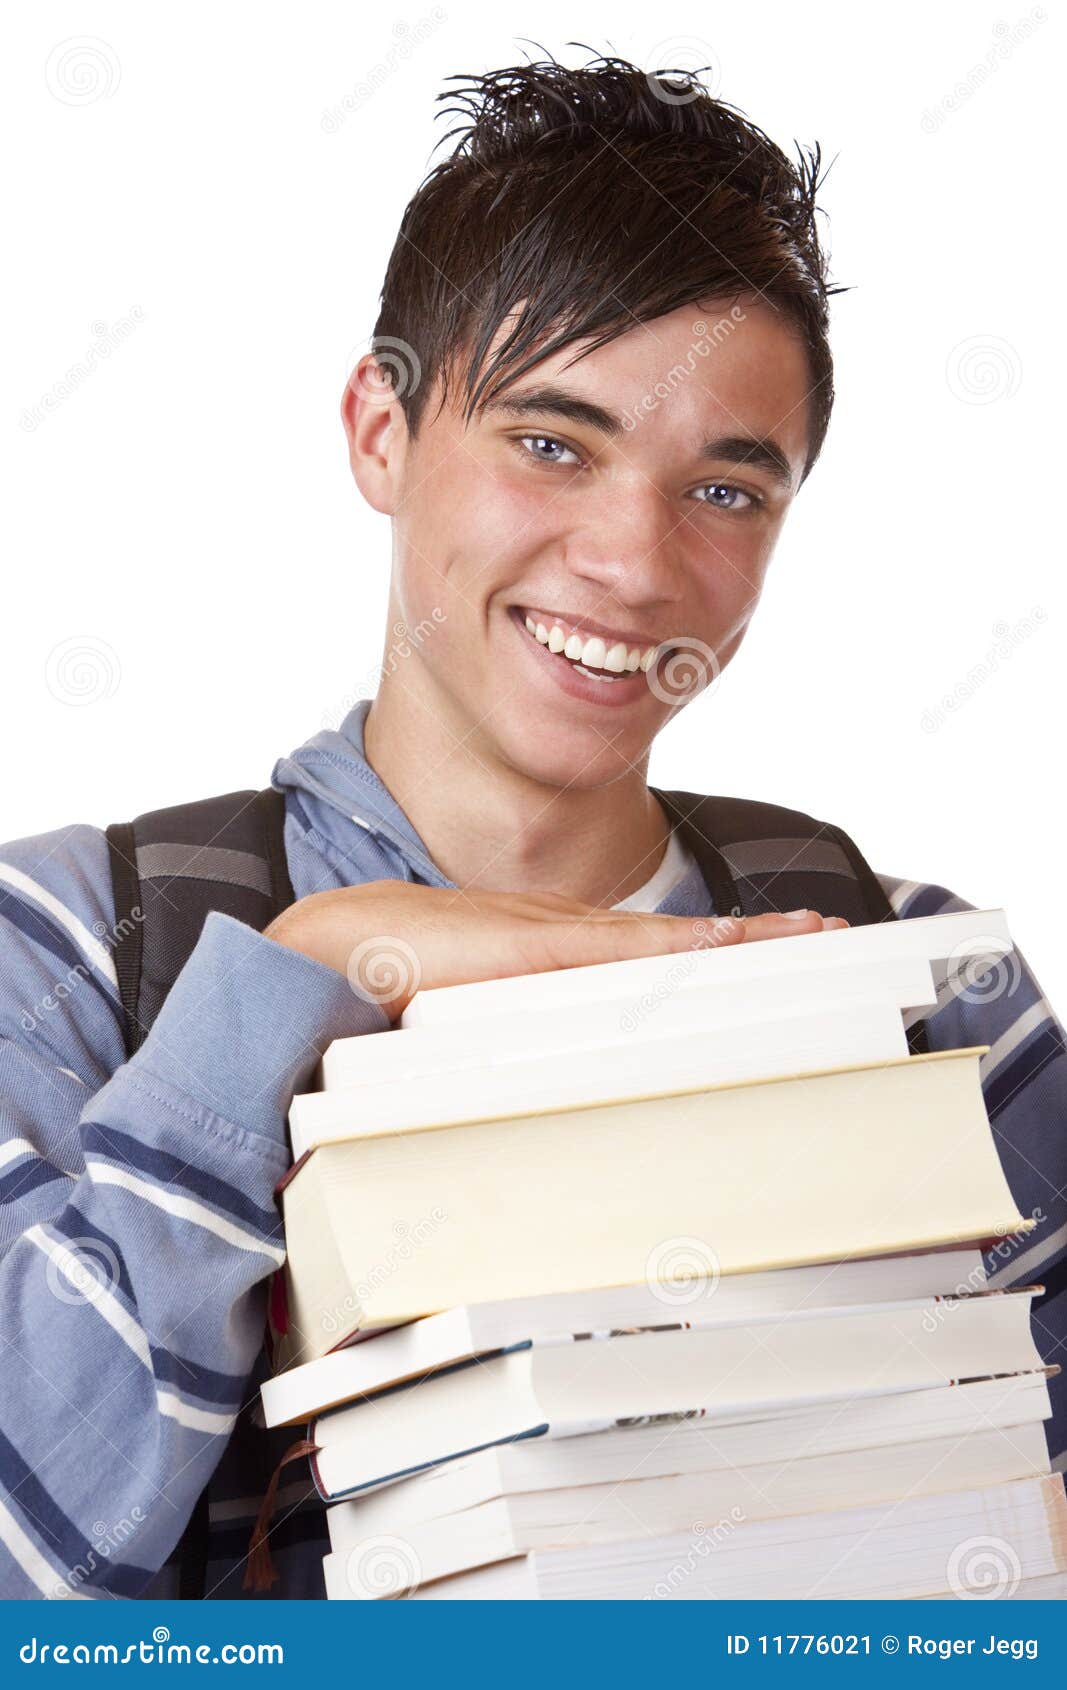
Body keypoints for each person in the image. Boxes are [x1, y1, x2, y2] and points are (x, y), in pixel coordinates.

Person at [1, 49, 1062, 1601]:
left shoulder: (919, 982)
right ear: (379, 429)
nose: (633, 563)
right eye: (553, 443)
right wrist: (307, 972)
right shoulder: (78, 952)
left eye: (727, 489)